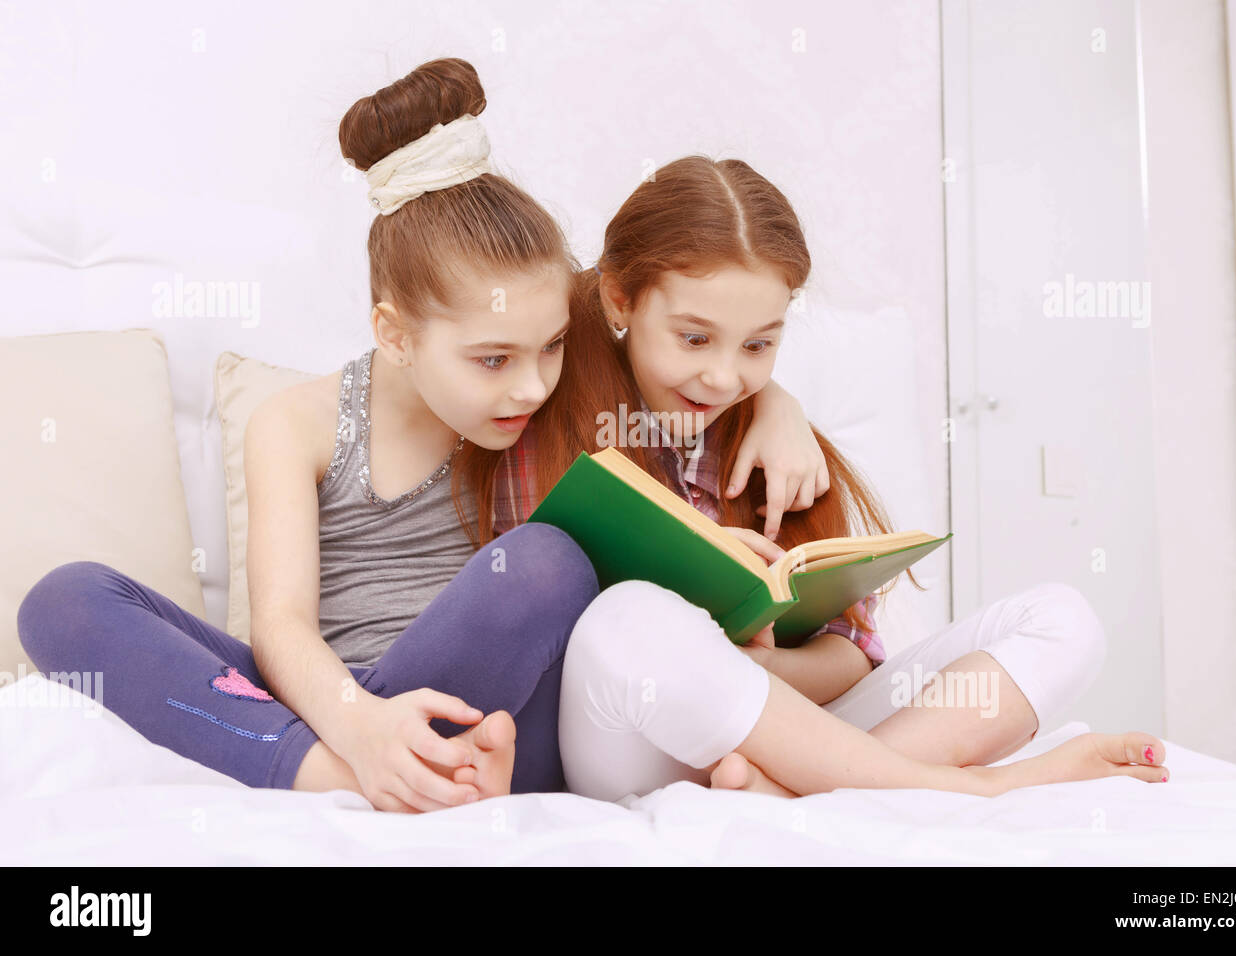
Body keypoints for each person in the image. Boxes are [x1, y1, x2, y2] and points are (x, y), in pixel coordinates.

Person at [16, 60, 830, 814]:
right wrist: (360, 726)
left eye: (551, 347)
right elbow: (281, 628)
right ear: (395, 333)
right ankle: (343, 776)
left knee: (546, 566)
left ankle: (402, 772)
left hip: (498, 709)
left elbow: (681, 333)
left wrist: (775, 402)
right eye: (492, 358)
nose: (533, 383)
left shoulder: (542, 400)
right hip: (329, 700)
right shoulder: (296, 423)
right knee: (68, 600)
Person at [488, 155, 1172, 800]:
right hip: (627, 740)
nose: (725, 377)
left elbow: (854, 654)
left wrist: (762, 668)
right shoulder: (543, 399)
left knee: (1063, 620)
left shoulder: (779, 451)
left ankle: (795, 795)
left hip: (780, 741)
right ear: (619, 300)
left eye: (759, 345)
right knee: (629, 616)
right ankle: (970, 790)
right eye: (694, 338)